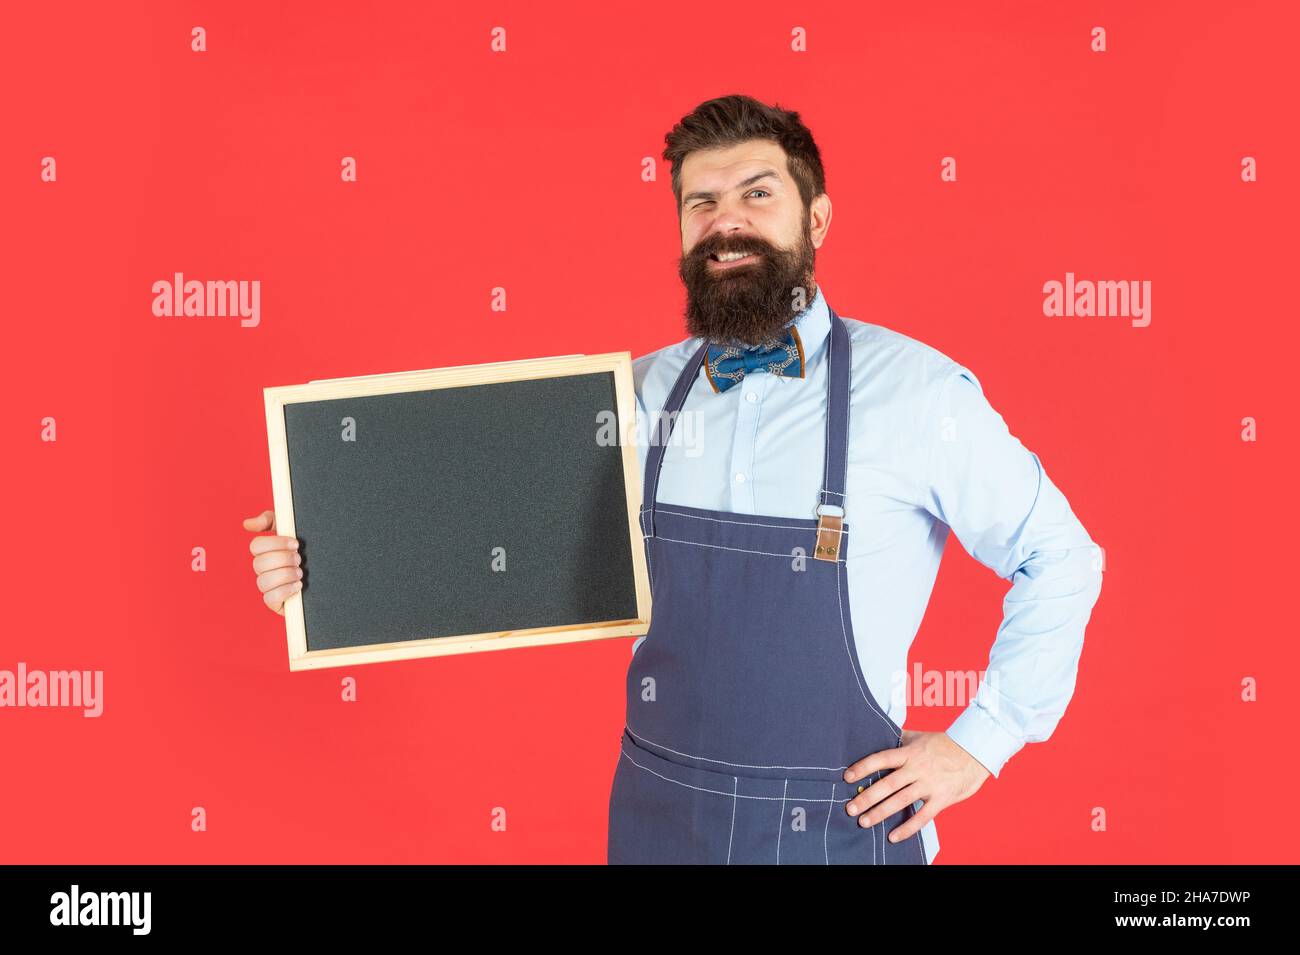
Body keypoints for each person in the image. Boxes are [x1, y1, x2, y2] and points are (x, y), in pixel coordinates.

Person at [245, 94, 1104, 865]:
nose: (726, 222)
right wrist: (321, 567)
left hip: (838, 830)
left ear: (818, 218)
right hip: (659, 821)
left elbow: (1063, 555)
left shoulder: (916, 392)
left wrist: (980, 743)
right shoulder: (636, 391)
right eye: (703, 202)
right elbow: (466, 535)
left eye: (757, 194)